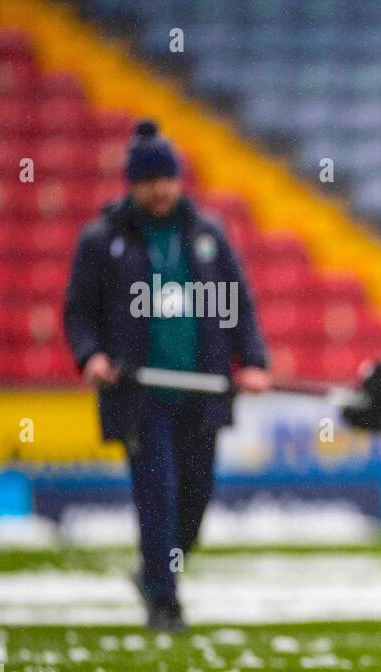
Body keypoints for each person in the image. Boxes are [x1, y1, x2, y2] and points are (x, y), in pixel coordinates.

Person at [63, 120, 271, 631]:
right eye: (148, 181)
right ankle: (164, 598)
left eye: (167, 179)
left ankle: (156, 571)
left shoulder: (207, 233)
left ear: (179, 180)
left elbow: (237, 303)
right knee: (158, 493)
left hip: (203, 390)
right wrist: (91, 355)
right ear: (131, 184)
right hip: (141, 393)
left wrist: (255, 361)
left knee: (195, 500)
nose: (159, 190)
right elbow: (79, 311)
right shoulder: (103, 238)